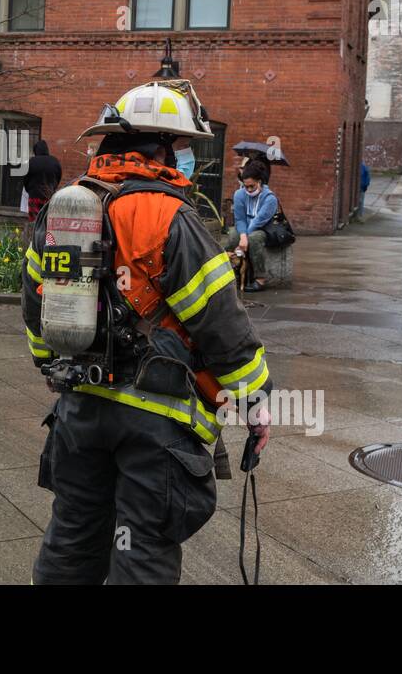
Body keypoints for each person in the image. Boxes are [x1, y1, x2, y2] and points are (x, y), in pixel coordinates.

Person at [23, 80, 272, 585]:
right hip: (157, 423)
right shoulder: (171, 216)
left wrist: (56, 367)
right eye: (181, 147)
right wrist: (255, 400)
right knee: (141, 554)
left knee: (72, 539)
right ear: (160, 147)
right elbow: (220, 322)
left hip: (79, 411)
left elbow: (34, 308)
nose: (184, 159)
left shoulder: (64, 208)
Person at [223, 167, 279, 293]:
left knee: (254, 238)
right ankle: (231, 273)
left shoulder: (270, 198)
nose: (248, 189)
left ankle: (260, 278)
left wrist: (245, 238)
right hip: (243, 227)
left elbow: (258, 221)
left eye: (251, 186)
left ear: (259, 182)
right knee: (233, 235)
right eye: (246, 186)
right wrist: (243, 236)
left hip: (262, 229)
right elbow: (240, 219)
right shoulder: (239, 194)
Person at [22, 139, 62, 229]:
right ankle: (46, 236)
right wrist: (53, 187)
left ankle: (34, 235)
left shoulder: (31, 162)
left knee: (34, 221)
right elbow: (58, 176)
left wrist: (29, 190)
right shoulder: (54, 161)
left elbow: (25, 179)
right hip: (49, 196)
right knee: (47, 219)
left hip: (34, 196)